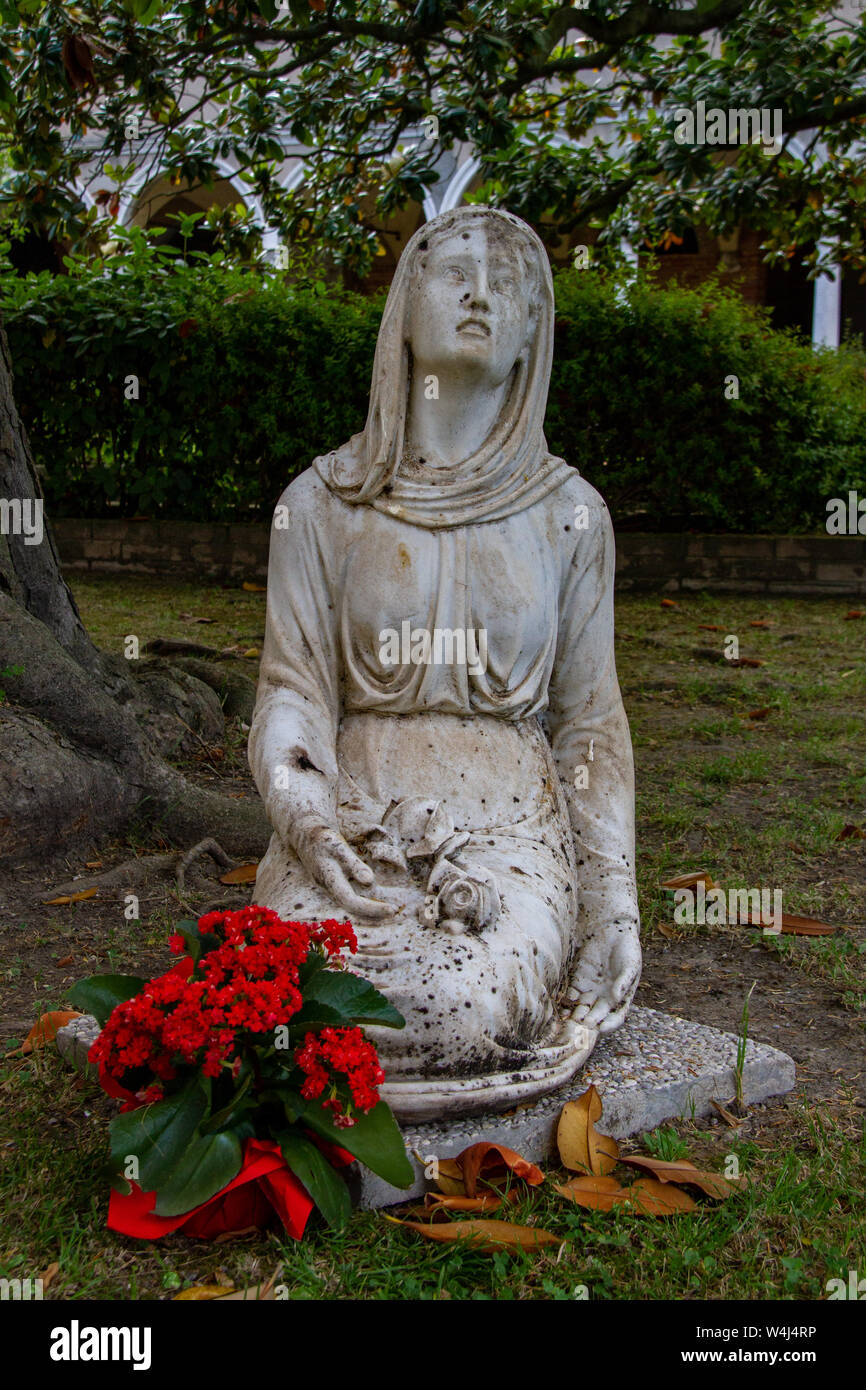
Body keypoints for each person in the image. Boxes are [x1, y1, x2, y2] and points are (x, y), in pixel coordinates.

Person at [248, 206, 641, 1120]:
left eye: (508, 284)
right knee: (293, 985)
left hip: (507, 828)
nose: (479, 295)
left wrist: (613, 903)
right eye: (453, 272)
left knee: (450, 1003)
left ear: (533, 331)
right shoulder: (320, 505)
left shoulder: (571, 516)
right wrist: (308, 822)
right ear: (404, 307)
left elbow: (590, 723)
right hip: (353, 820)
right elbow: (290, 694)